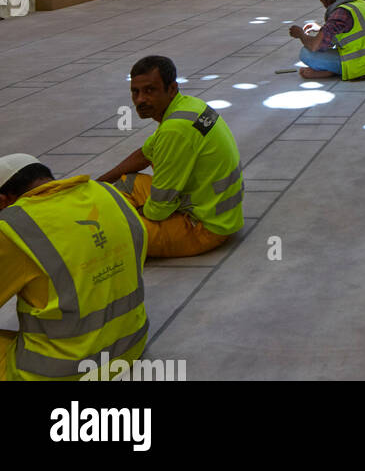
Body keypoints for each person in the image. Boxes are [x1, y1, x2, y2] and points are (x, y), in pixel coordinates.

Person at [0, 153, 149, 381]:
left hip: (62, 372)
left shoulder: (14, 227)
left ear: (2, 200)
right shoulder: (109, 193)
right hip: (130, 347)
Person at [97, 55, 244, 259]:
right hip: (218, 211)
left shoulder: (176, 130)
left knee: (109, 236)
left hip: (205, 226)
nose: (140, 100)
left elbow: (158, 210)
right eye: (135, 92)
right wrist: (96, 185)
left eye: (150, 90)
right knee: (126, 183)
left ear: (172, 88)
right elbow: (144, 154)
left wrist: (134, 214)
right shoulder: (189, 105)